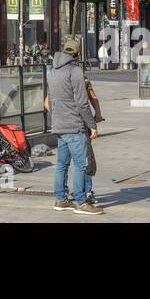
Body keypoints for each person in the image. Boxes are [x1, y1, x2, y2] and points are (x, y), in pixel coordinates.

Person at [44, 36, 103, 216]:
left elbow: (48, 103)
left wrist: (59, 116)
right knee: (80, 164)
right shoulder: (75, 71)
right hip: (75, 125)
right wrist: (92, 125)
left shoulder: (53, 71)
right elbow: (82, 103)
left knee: (62, 164)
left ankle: (61, 200)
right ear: (77, 54)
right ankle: (81, 201)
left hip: (59, 125)